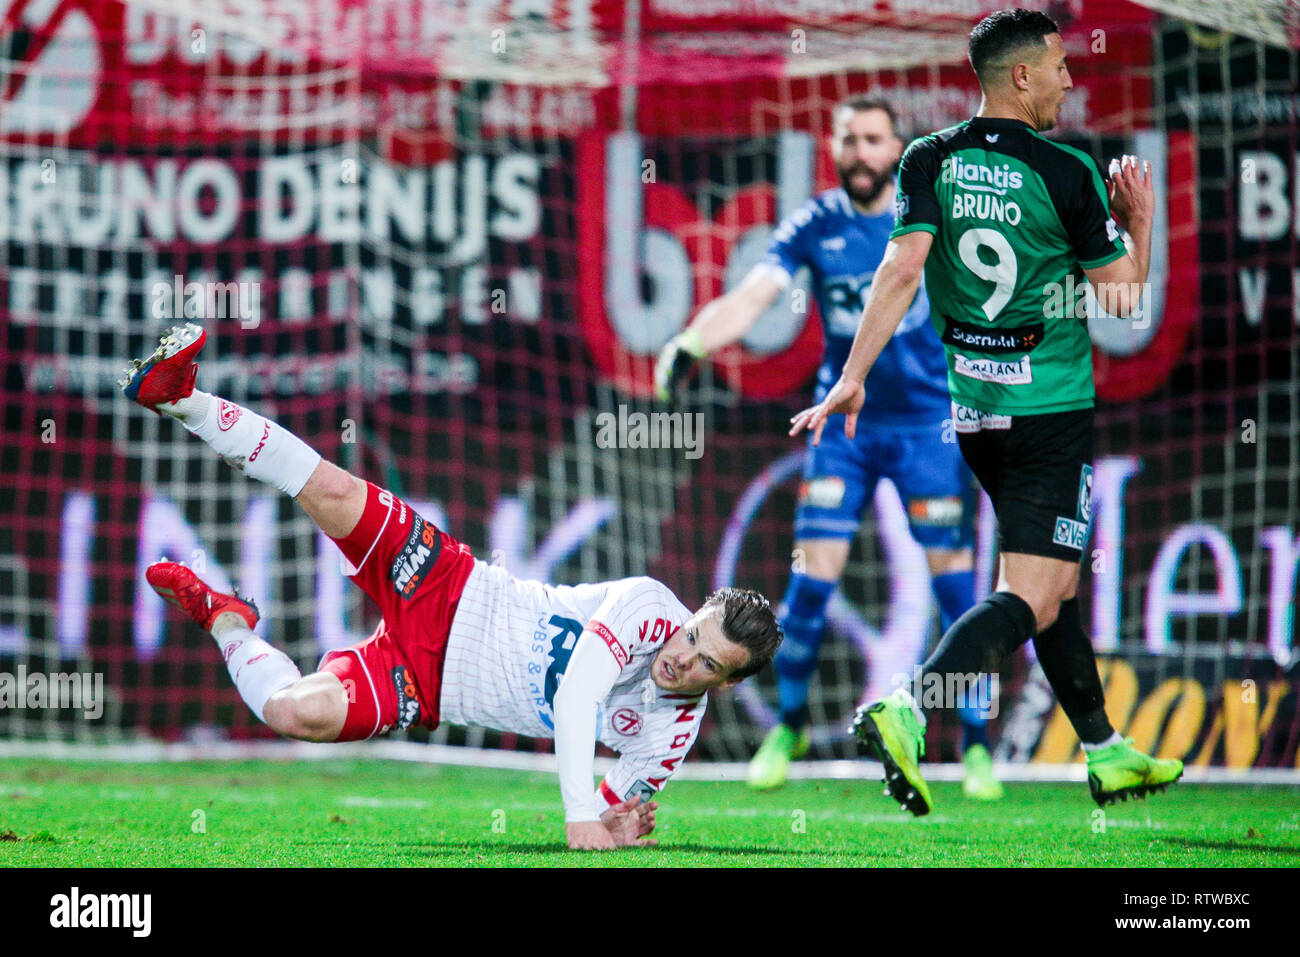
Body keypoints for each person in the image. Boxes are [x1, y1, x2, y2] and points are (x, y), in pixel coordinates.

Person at [121, 323, 782, 850]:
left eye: (707, 662)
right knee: (329, 487)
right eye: (693, 633)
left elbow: (607, 813)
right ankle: (180, 396)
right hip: (453, 586)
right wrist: (582, 815)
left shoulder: (670, 736)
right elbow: (580, 692)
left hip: (429, 681)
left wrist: (610, 827)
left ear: (725, 683)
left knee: (293, 714)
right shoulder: (648, 605)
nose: (681, 654)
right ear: (692, 611)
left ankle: (227, 620)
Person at [790, 8, 1182, 815]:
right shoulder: (1066, 168)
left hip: (972, 418)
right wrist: (1140, 227)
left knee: (1055, 586)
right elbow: (1121, 300)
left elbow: (899, 273)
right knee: (1035, 593)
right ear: (1022, 74)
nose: (1071, 79)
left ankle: (1106, 751)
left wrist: (850, 376)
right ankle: (907, 704)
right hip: (1049, 414)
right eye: (1060, 65)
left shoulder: (928, 157)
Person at [655, 97, 1002, 799]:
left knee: (956, 589)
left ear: (896, 148)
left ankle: (975, 747)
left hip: (926, 425)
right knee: (809, 583)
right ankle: (787, 728)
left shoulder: (932, 217)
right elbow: (755, 294)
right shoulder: (818, 222)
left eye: (873, 140)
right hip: (842, 424)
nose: (860, 152)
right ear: (835, 150)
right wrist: (695, 338)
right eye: (849, 140)